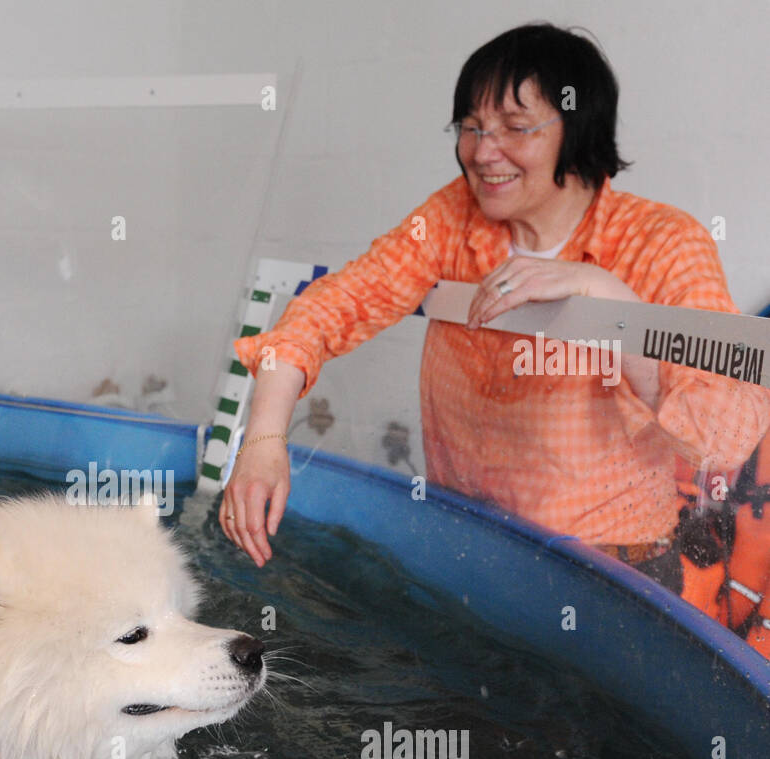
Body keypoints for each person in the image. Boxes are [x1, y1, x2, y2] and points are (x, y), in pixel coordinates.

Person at [223, 23, 770, 596]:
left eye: (515, 128)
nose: (484, 153)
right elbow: (332, 306)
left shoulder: (663, 242)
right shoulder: (453, 218)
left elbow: (724, 434)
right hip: (465, 547)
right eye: (471, 127)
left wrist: (607, 298)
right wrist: (263, 443)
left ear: (577, 128)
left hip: (609, 574)